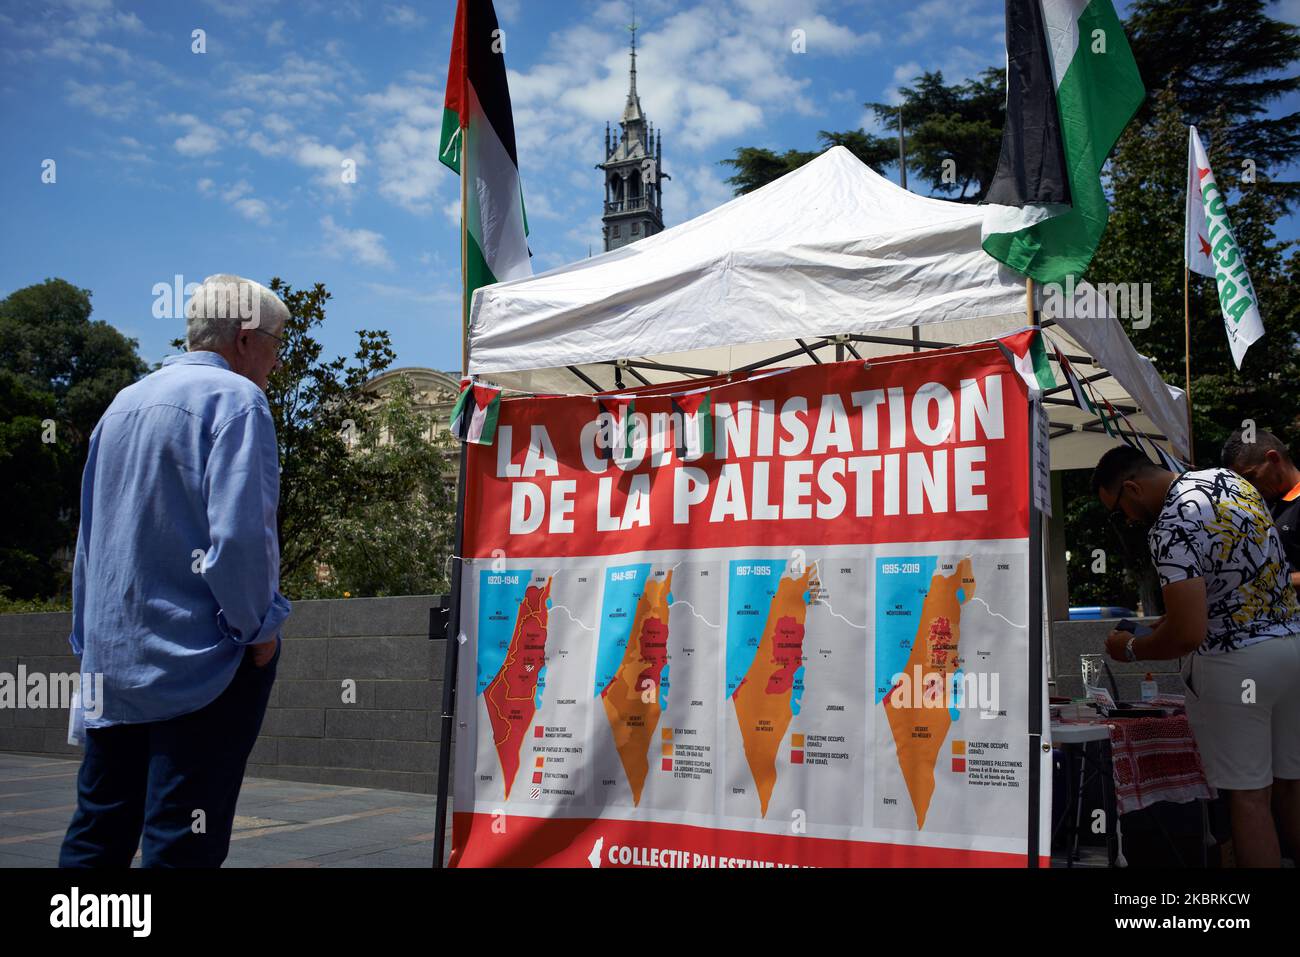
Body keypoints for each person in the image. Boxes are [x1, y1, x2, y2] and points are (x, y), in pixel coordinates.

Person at [59, 274, 292, 868]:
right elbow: (239, 540)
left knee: (98, 831)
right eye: (275, 345)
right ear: (245, 339)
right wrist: (260, 632)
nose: (276, 362)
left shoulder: (122, 405)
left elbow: (91, 543)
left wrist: (89, 647)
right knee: (181, 840)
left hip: (113, 664)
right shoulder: (238, 402)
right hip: (198, 666)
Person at [1092, 444, 1300, 867]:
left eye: (1119, 510)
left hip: (1236, 666)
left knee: (1249, 799)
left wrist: (1130, 649)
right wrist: (1162, 628)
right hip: (1291, 649)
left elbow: (1189, 632)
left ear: (1132, 488)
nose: (1127, 521)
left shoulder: (1169, 525)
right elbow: (1226, 592)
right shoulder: (1230, 482)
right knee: (1292, 786)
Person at [1221, 428, 1300, 591]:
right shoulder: (1267, 506)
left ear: (1273, 458)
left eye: (1250, 477)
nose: (1249, 488)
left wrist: (1260, 583)